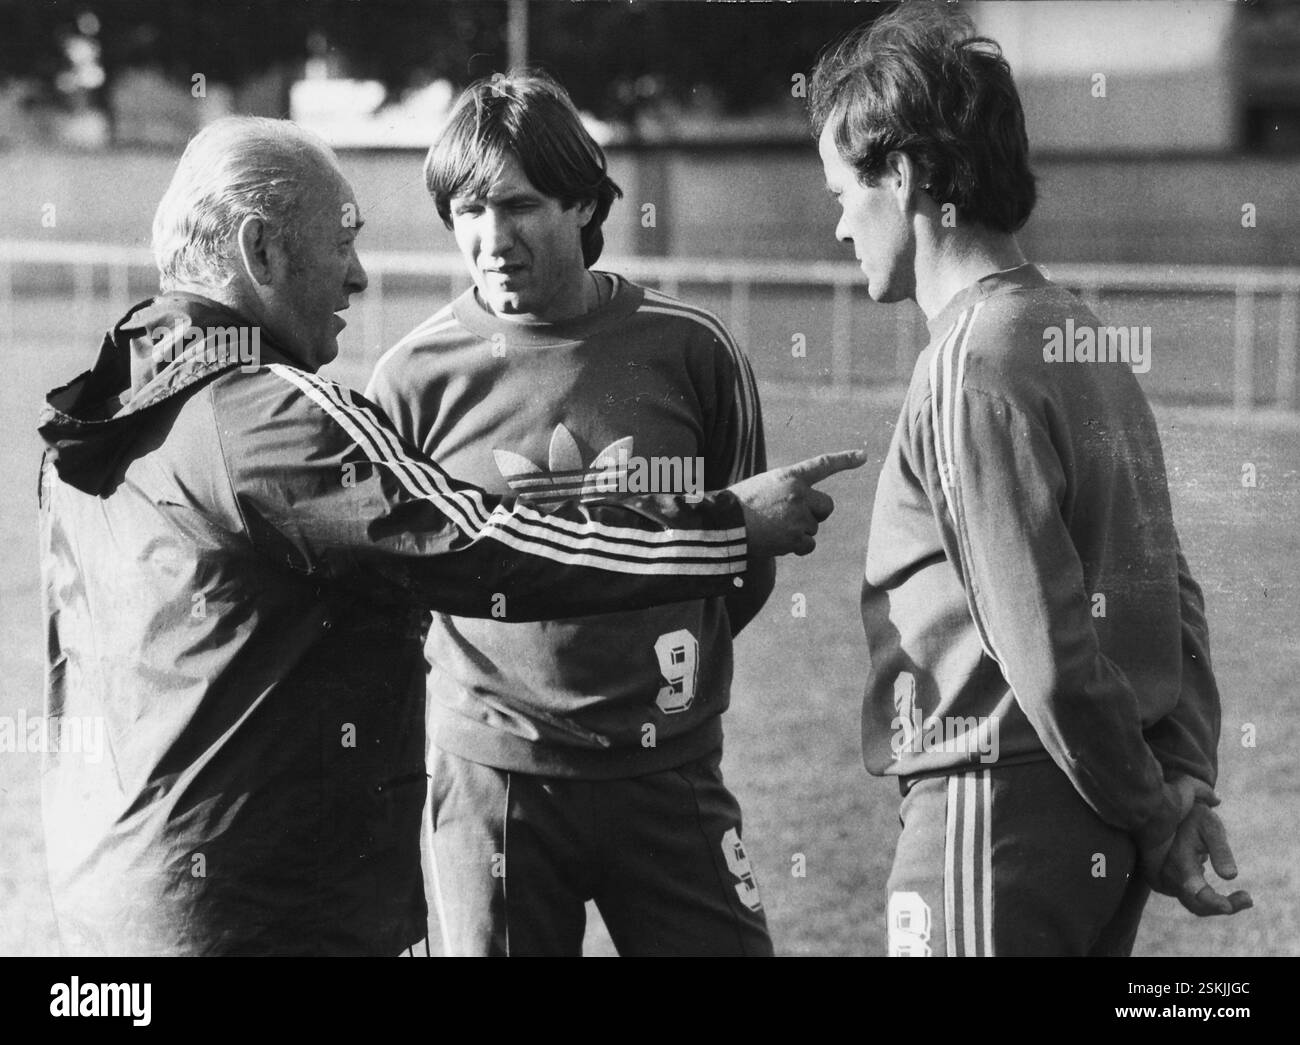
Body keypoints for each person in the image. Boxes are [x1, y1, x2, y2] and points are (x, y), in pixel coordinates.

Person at [36, 115, 862, 956]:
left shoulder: (95, 409)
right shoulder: (271, 414)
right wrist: (724, 528)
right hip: (248, 909)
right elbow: (485, 547)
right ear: (262, 252)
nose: (359, 275)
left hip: (114, 902)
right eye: (340, 243)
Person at [808, 7, 1251, 956]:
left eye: (844, 188)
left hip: (994, 813)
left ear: (906, 175)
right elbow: (1171, 591)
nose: (838, 223)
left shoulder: (970, 362)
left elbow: (1042, 646)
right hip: (1092, 813)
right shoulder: (1079, 334)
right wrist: (1174, 786)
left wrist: (1148, 807)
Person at [365, 72, 776, 957]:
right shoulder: (410, 380)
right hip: (492, 786)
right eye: (467, 211)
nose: (491, 238)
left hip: (668, 772)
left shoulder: (694, 351)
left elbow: (743, 565)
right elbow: (394, 596)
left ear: (586, 202)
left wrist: (657, 678)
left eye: (519, 206)